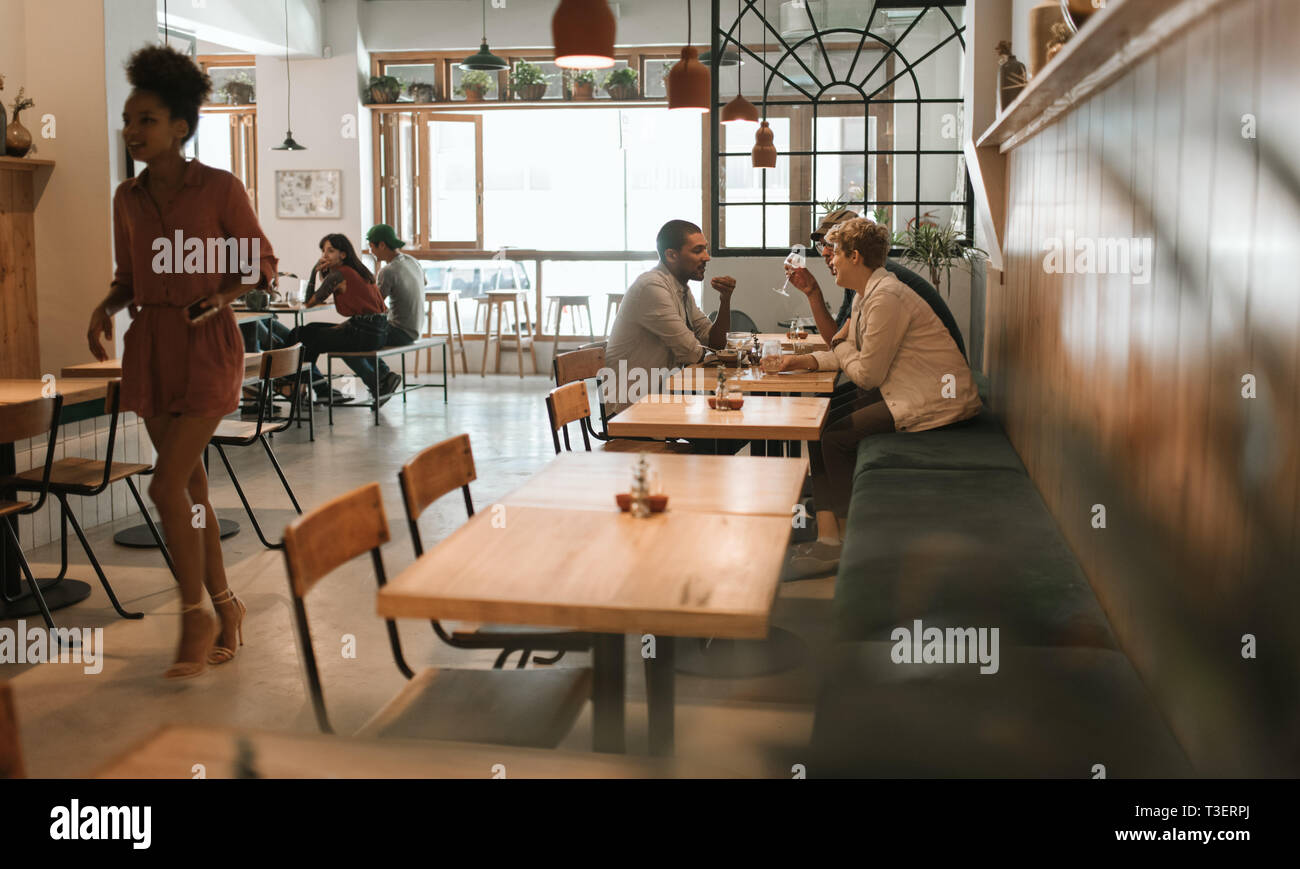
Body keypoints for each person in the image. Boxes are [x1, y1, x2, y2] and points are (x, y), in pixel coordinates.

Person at [87, 46, 273, 678]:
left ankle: (192, 612)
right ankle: (228, 606)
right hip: (151, 350)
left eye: (146, 120)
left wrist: (220, 294)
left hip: (209, 347)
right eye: (128, 121)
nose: (132, 131)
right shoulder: (126, 197)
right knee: (190, 489)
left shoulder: (220, 188)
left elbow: (259, 267)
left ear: (180, 127)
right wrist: (103, 310)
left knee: (165, 485)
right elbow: (127, 276)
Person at [781, 217, 982, 575]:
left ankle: (844, 544)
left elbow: (866, 374)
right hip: (906, 387)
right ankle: (829, 537)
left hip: (934, 399)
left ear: (855, 256)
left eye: (836, 254)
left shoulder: (886, 297)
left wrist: (839, 347)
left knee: (836, 438)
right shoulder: (868, 292)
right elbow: (846, 351)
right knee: (819, 424)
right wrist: (798, 362)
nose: (830, 260)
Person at [603, 220, 737, 415]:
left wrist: (725, 301)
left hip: (661, 400)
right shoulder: (652, 287)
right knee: (726, 430)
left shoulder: (680, 288)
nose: (706, 257)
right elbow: (692, 352)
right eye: (697, 250)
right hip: (632, 408)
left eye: (705, 249)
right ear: (671, 255)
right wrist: (721, 356)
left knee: (730, 425)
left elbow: (715, 343)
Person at [809, 208, 967, 360]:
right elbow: (838, 337)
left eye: (832, 245)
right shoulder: (862, 278)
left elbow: (866, 371)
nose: (824, 253)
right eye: (822, 246)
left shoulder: (883, 282)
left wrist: (813, 291)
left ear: (854, 250)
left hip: (940, 377)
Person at [289, 234, 388, 402]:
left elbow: (310, 301)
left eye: (330, 251)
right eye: (323, 251)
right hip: (377, 331)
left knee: (304, 337)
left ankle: (298, 387)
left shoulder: (339, 275)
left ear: (343, 255)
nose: (324, 255)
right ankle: (303, 386)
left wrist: (314, 271)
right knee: (308, 330)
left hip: (362, 333)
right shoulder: (359, 270)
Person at [343, 223, 426, 398]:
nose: (371, 252)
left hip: (400, 331)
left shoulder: (387, 271)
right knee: (363, 337)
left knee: (347, 344)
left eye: (372, 247)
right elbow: (423, 283)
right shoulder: (412, 261)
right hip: (417, 328)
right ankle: (385, 376)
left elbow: (373, 304)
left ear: (382, 245)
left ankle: (378, 383)